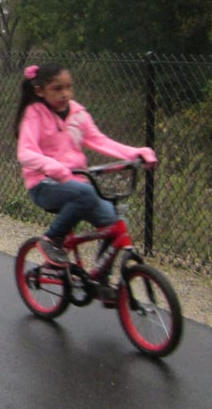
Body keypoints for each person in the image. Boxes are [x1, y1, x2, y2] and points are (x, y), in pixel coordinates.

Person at [15, 62, 157, 265]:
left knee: (113, 224)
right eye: (57, 89)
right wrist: (51, 166)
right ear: (39, 90)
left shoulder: (78, 113)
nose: (65, 94)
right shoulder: (34, 113)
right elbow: (25, 153)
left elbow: (100, 140)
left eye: (68, 87)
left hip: (78, 184)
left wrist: (136, 153)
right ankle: (52, 240)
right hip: (44, 184)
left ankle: (101, 279)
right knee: (86, 193)